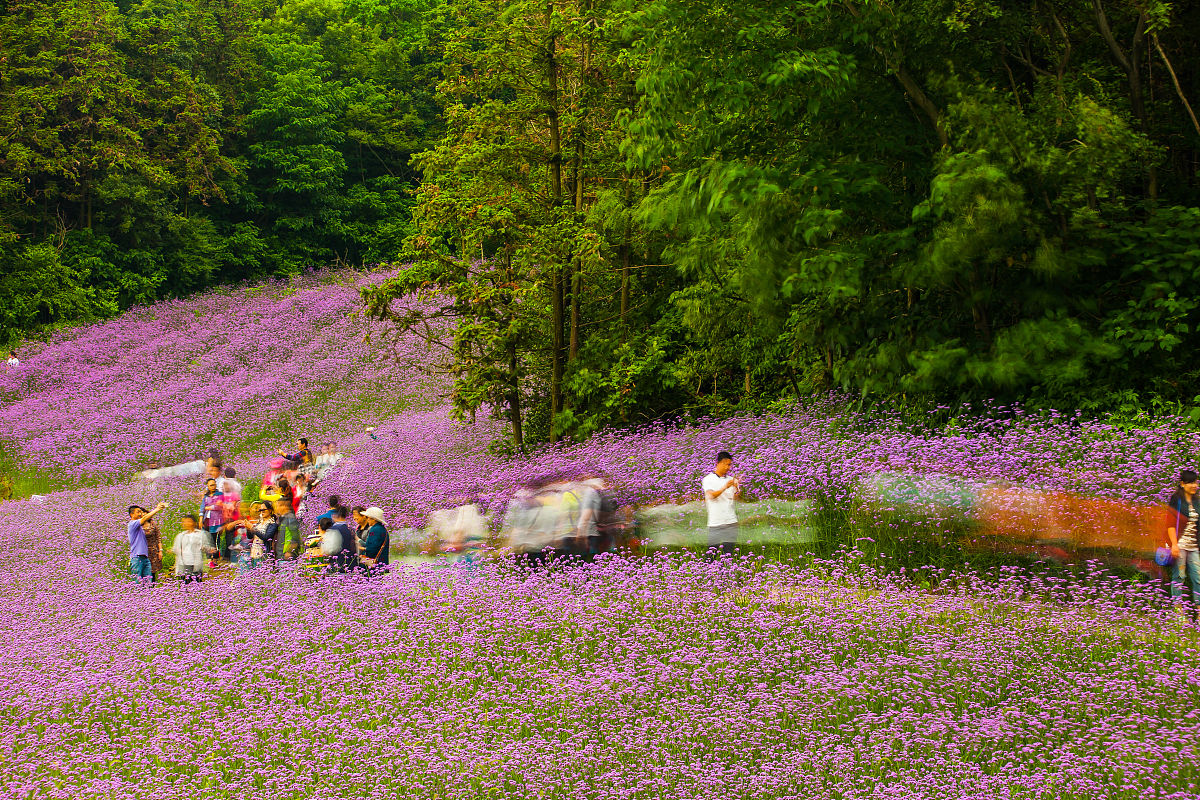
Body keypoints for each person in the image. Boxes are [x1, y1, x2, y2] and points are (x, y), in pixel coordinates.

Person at [1167, 470, 1200, 620]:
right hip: (1180, 544)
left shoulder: (1197, 502)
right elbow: (1170, 524)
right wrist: (1174, 544)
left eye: (1196, 482)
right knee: (1179, 577)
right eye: (1191, 482)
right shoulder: (1176, 500)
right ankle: (1179, 613)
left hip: (1194, 546)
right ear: (1182, 484)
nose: (1195, 485)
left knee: (1198, 578)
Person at [702, 451, 742, 556]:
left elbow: (736, 499)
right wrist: (725, 487)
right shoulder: (708, 479)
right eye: (726, 464)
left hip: (731, 522)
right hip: (716, 523)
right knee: (710, 556)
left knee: (728, 555)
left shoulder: (732, 480)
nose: (728, 467)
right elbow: (711, 495)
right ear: (718, 463)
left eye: (730, 465)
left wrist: (737, 490)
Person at [128, 503, 169, 583]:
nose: (140, 514)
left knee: (148, 584)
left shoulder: (140, 527)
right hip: (137, 558)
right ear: (132, 514)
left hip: (145, 558)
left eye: (141, 512)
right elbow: (145, 518)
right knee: (137, 583)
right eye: (138, 512)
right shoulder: (132, 524)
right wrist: (157, 509)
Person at [173, 514, 215, 583]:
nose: (186, 524)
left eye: (188, 521)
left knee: (196, 583)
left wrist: (209, 550)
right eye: (184, 522)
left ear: (194, 523)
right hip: (183, 563)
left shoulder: (200, 534)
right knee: (184, 584)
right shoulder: (180, 536)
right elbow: (176, 550)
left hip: (195, 562)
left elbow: (206, 547)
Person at [200, 478, 226, 559]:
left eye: (214, 484)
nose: (213, 486)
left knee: (215, 539)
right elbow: (202, 507)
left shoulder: (220, 494)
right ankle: (209, 557)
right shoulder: (206, 496)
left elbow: (220, 506)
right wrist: (200, 519)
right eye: (211, 485)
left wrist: (209, 507)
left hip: (216, 521)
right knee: (207, 539)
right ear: (207, 486)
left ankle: (215, 557)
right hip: (207, 520)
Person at [274, 497, 303, 562]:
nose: (276, 509)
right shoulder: (284, 519)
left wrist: (289, 551)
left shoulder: (290, 519)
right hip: (282, 556)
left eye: (277, 506)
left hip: (287, 557)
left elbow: (295, 537)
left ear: (283, 506)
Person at [142, 511, 165, 582]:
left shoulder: (153, 524)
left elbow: (158, 538)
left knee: (153, 570)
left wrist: (160, 550)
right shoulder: (138, 525)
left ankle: (152, 586)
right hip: (143, 551)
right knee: (143, 570)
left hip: (153, 550)